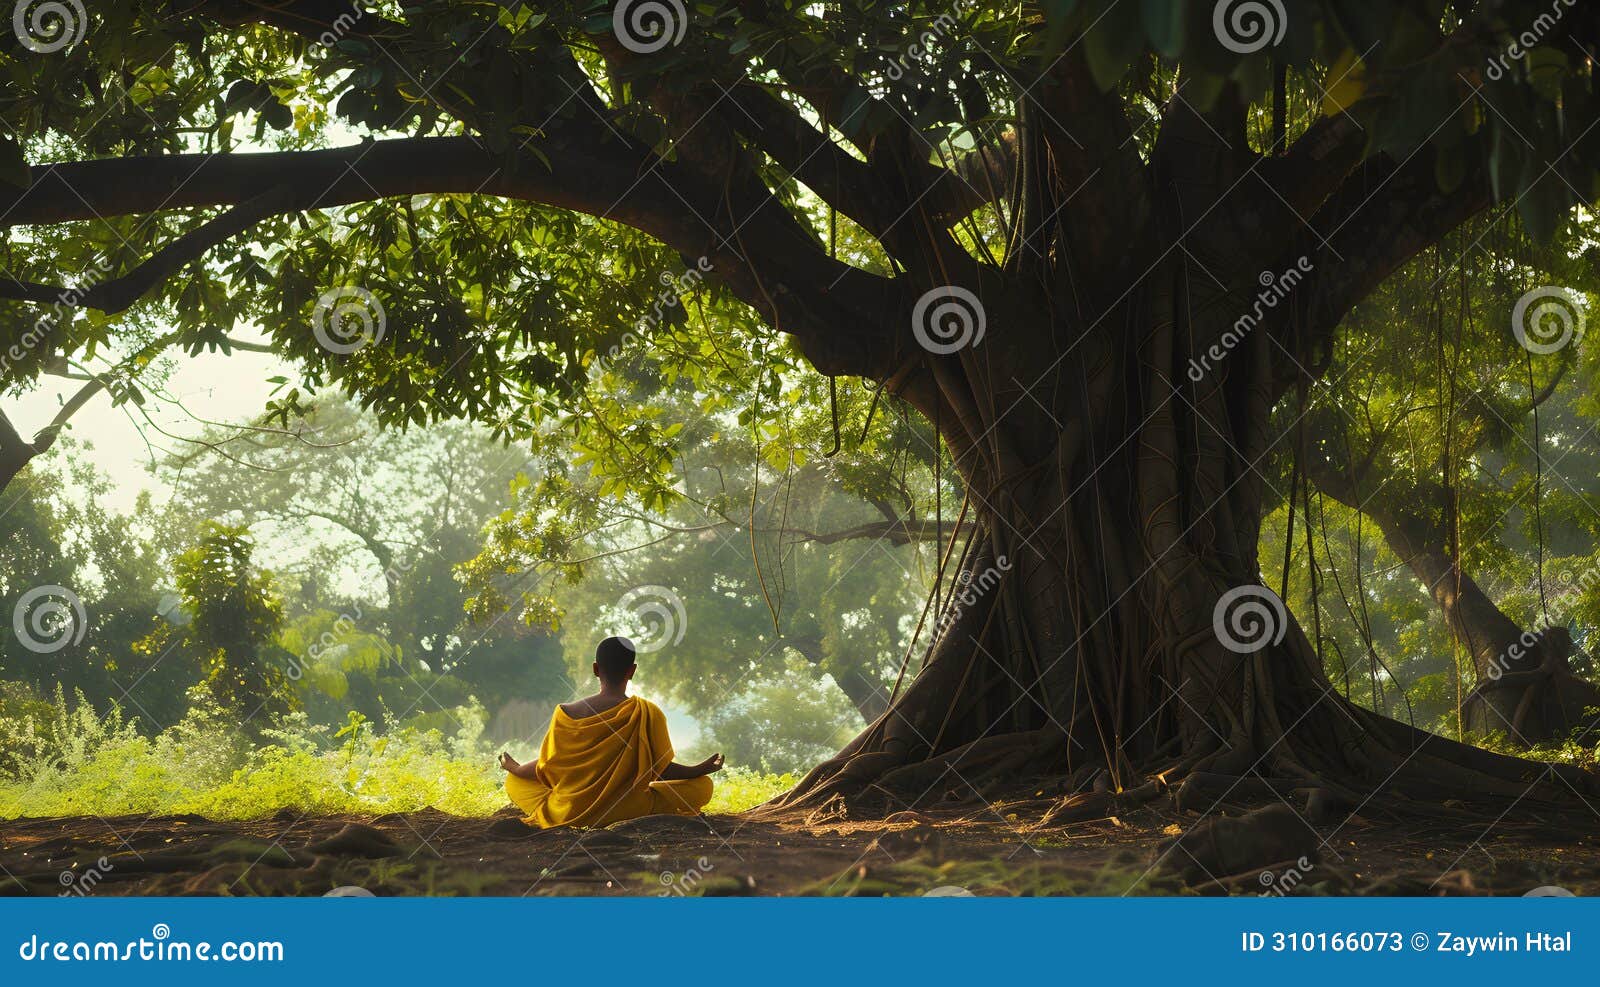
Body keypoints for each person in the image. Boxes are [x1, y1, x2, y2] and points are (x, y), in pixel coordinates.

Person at [500, 636, 723, 828]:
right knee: (702, 786)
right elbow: (660, 770)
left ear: (596, 669)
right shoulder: (647, 712)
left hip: (569, 813)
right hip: (628, 811)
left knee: (515, 781)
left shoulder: (566, 713)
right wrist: (698, 769)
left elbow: (548, 766)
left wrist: (516, 768)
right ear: (632, 671)